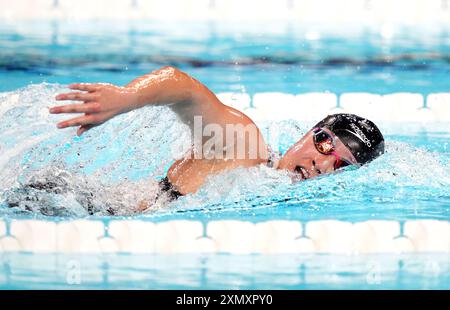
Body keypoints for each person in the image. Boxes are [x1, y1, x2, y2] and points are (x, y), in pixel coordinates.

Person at [49, 66, 385, 208]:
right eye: (324, 144)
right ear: (307, 134)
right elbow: (183, 88)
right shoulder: (245, 147)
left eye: (340, 164)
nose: (322, 163)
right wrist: (127, 97)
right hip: (72, 206)